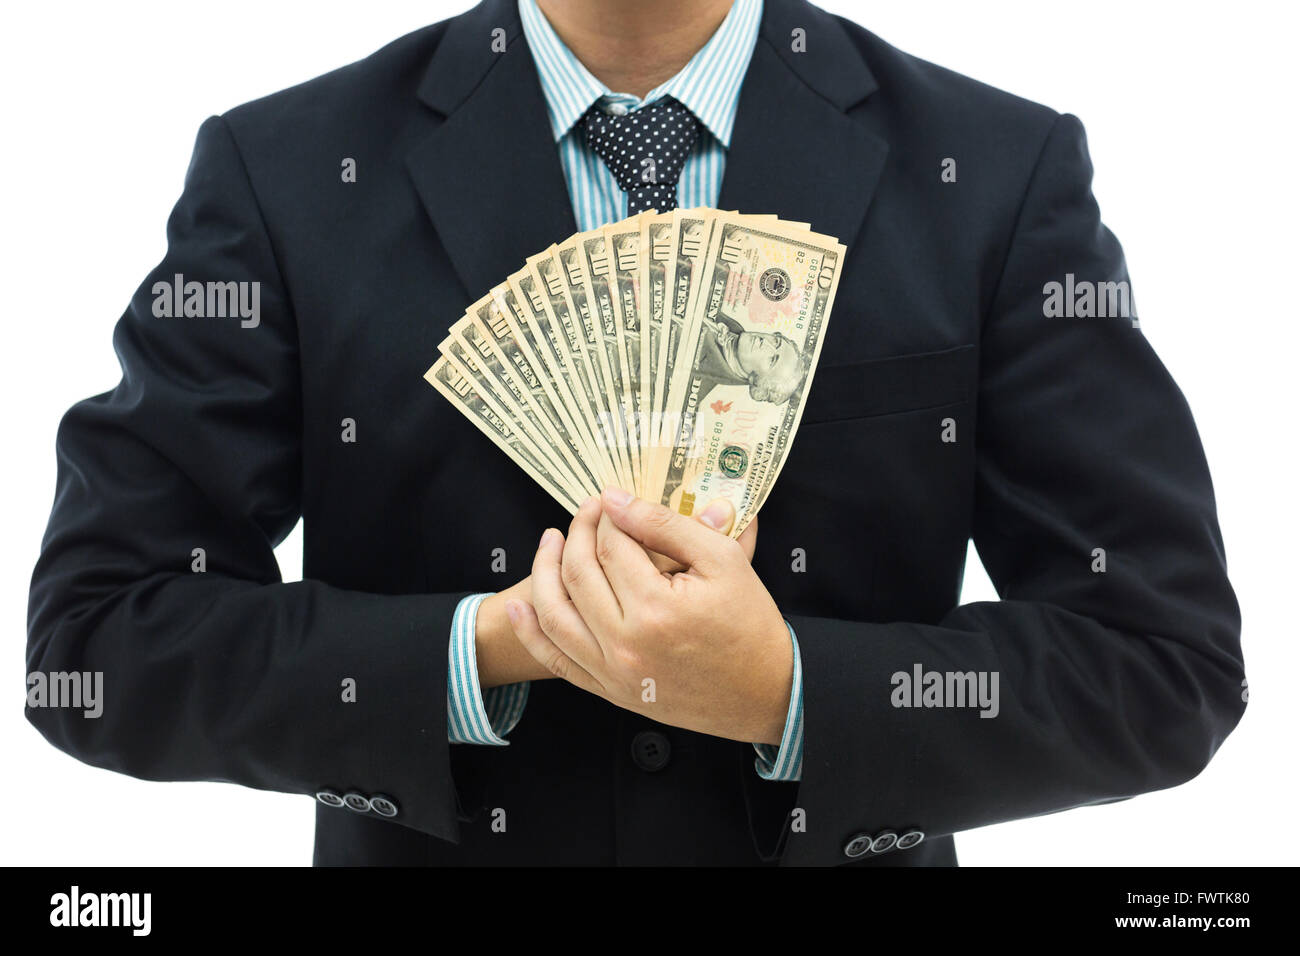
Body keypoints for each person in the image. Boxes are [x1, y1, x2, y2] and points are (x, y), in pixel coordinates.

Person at [26, 0, 1245, 866]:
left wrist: (790, 691)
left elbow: (1159, 659)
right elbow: (99, 635)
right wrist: (489, 646)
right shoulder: (283, 172)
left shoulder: (992, 172)